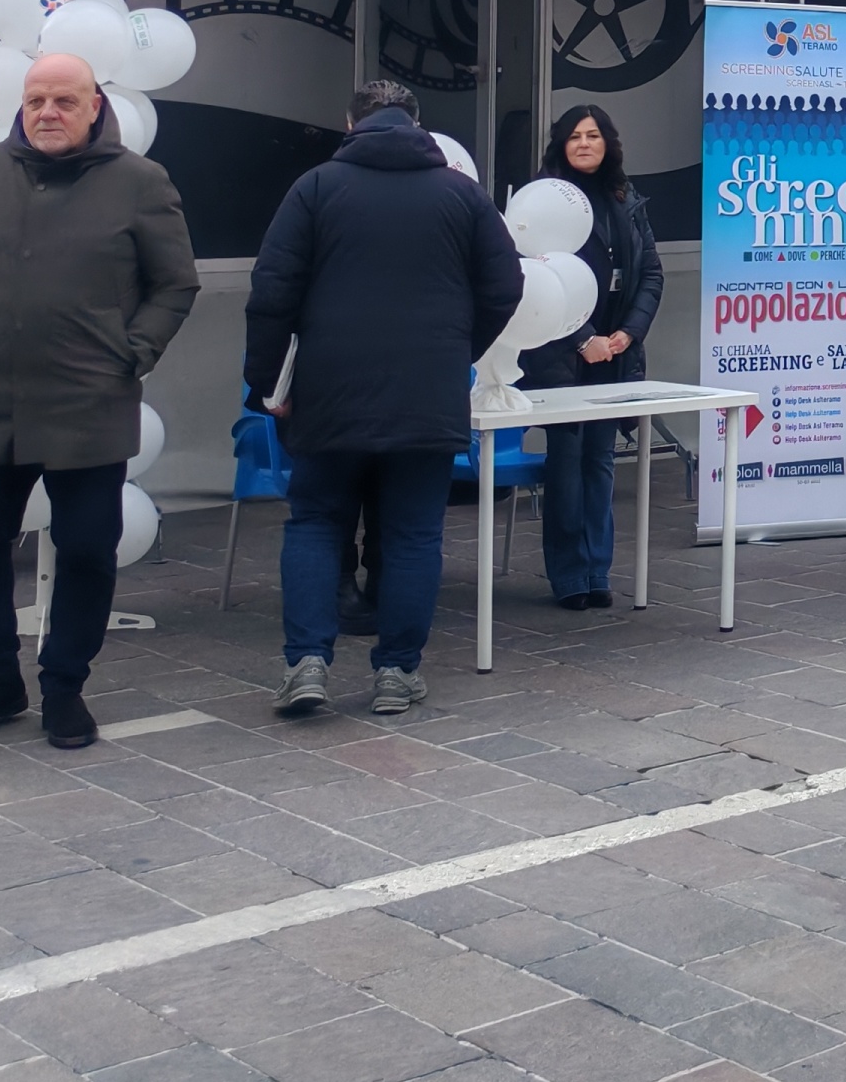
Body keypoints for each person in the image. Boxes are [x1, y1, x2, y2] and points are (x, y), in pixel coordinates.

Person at [0, 52, 199, 750]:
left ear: (95, 106)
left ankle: (65, 687)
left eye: (64, 101)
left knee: (86, 551)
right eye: (36, 99)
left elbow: (175, 284)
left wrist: (129, 355)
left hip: (88, 406)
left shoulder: (139, 183)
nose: (48, 113)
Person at [244, 80, 522, 718]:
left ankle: (307, 662)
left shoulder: (314, 188)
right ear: (418, 124)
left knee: (315, 524)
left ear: (351, 123)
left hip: (328, 391)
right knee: (414, 534)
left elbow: (272, 291)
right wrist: (459, 346)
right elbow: (506, 284)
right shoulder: (462, 194)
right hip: (427, 392)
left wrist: (269, 385)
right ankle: (397, 672)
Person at [521, 104, 663, 611]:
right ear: (561, 144)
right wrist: (583, 338)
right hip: (563, 353)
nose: (584, 144)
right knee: (567, 460)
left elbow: (651, 274)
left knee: (600, 461)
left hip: (615, 352)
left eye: (594, 135)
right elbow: (536, 279)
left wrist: (627, 334)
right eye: (575, 136)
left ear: (609, 143)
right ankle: (569, 578)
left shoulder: (627, 199)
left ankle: (597, 570)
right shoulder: (541, 201)